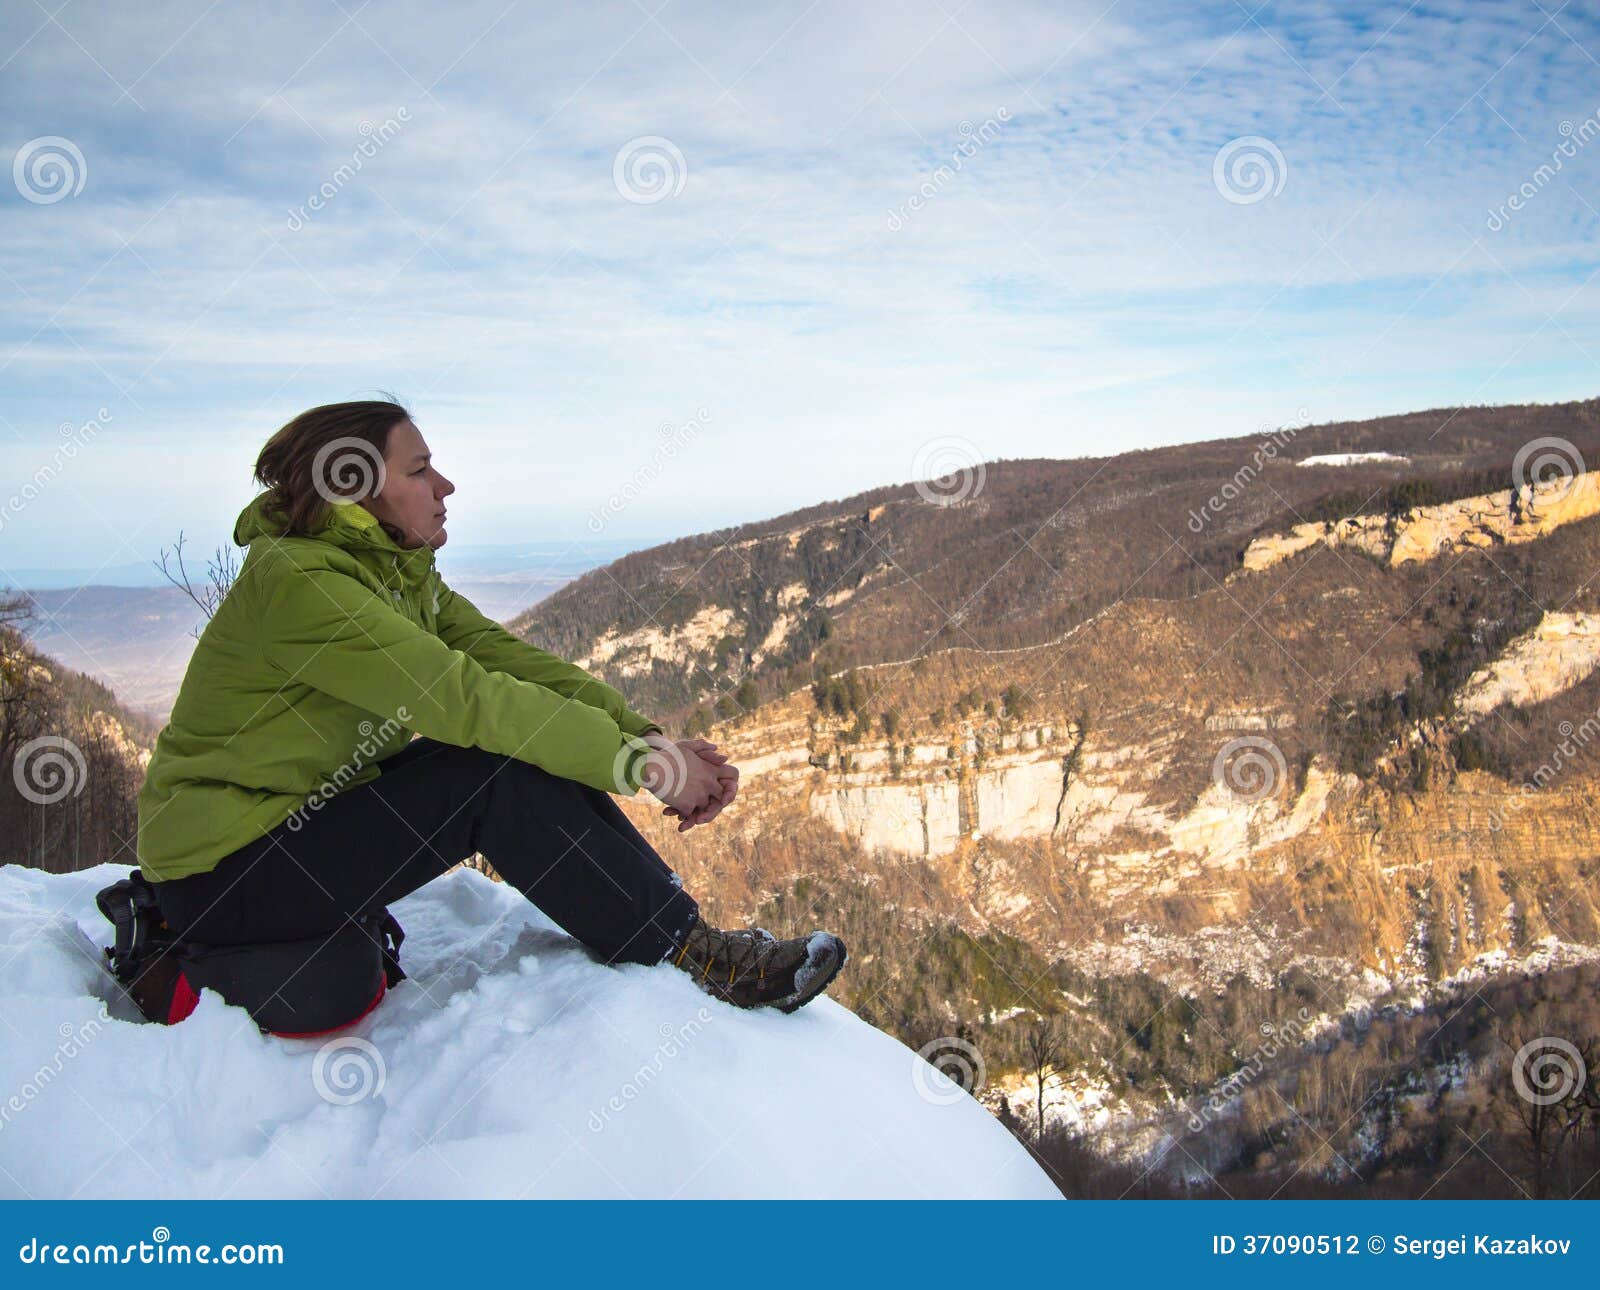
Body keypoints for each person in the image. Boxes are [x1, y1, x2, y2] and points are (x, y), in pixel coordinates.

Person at [135, 399, 846, 1015]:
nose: (444, 485)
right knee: (489, 773)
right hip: (224, 874)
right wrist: (646, 769)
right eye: (418, 470)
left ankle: (683, 937)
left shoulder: (389, 573)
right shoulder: (302, 584)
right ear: (353, 488)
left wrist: (647, 738)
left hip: (285, 833)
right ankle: (689, 954)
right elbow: (465, 700)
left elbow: (509, 665)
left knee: (514, 749)